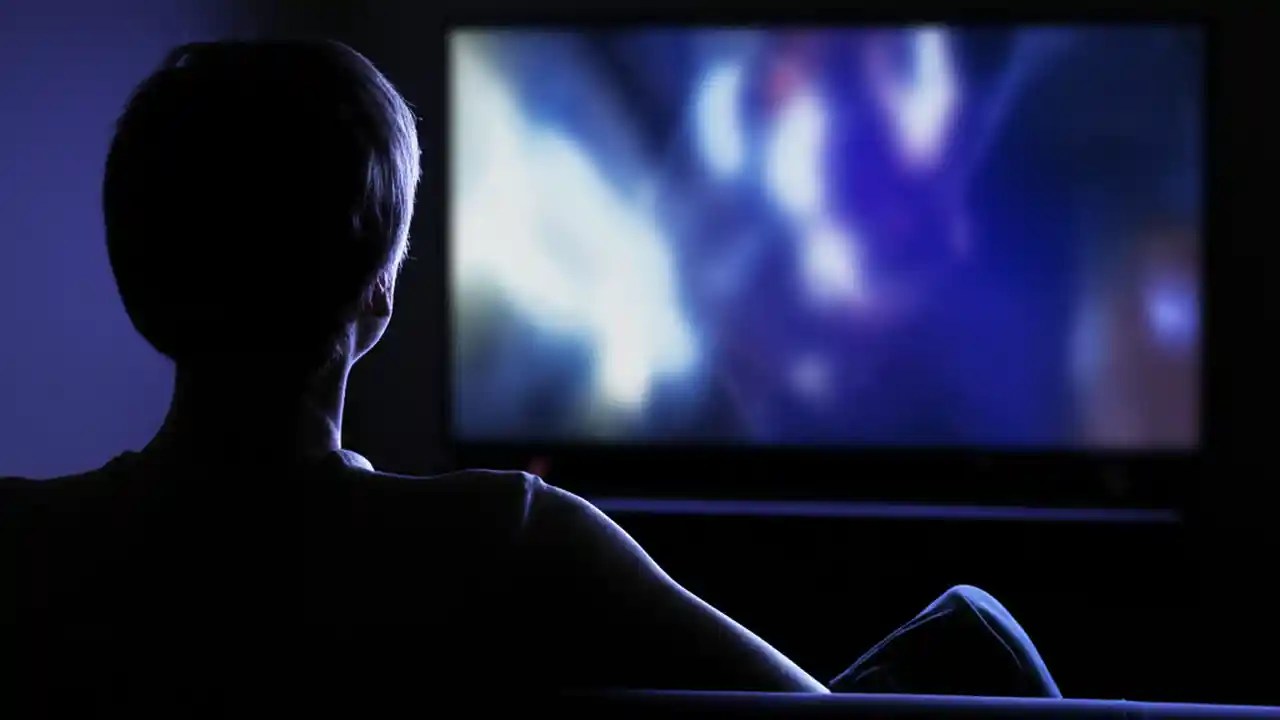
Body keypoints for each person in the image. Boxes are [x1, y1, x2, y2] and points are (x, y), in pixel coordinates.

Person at [0, 40, 1056, 709]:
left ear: (139, 286)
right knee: (971, 623)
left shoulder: (22, 544)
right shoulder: (513, 539)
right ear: (377, 294)